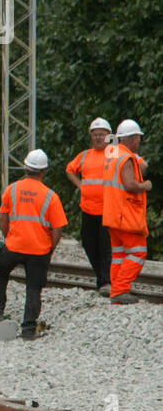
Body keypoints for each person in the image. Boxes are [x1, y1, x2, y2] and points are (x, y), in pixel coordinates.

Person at [0, 149, 67, 339]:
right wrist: (50, 248)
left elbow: (2, 218)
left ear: (25, 167)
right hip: (39, 250)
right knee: (34, 288)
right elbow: (58, 228)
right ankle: (28, 330)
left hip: (14, 245)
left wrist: (9, 237)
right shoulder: (51, 196)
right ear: (43, 171)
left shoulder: (12, 189)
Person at [103, 119, 152, 304]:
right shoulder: (125, 158)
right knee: (138, 251)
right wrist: (145, 185)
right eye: (138, 138)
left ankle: (116, 291)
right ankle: (120, 289)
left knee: (119, 255)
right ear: (131, 139)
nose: (139, 141)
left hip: (112, 214)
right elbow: (130, 184)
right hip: (125, 214)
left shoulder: (113, 155)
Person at [66, 117, 114, 291]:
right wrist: (80, 185)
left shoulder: (113, 153)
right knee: (89, 243)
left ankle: (105, 281)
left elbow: (133, 164)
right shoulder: (85, 155)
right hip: (88, 208)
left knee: (105, 246)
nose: (98, 138)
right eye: (95, 135)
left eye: (102, 134)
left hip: (108, 209)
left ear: (109, 135)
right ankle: (102, 277)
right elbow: (70, 170)